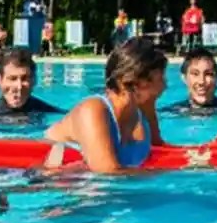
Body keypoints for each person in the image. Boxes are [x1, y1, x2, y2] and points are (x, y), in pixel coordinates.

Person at [44, 37, 166, 173]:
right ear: (131, 82)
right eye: (160, 79)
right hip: (44, 181)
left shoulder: (142, 110)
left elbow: (160, 150)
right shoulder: (93, 110)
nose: (165, 86)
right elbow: (107, 173)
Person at [0, 48, 63, 124]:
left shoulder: (48, 111)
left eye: (24, 79)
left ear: (34, 80)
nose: (18, 86)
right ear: (0, 80)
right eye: (12, 79)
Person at [163, 48, 217, 114]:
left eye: (208, 74)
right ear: (184, 78)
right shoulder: (170, 113)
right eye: (195, 74)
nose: (201, 81)